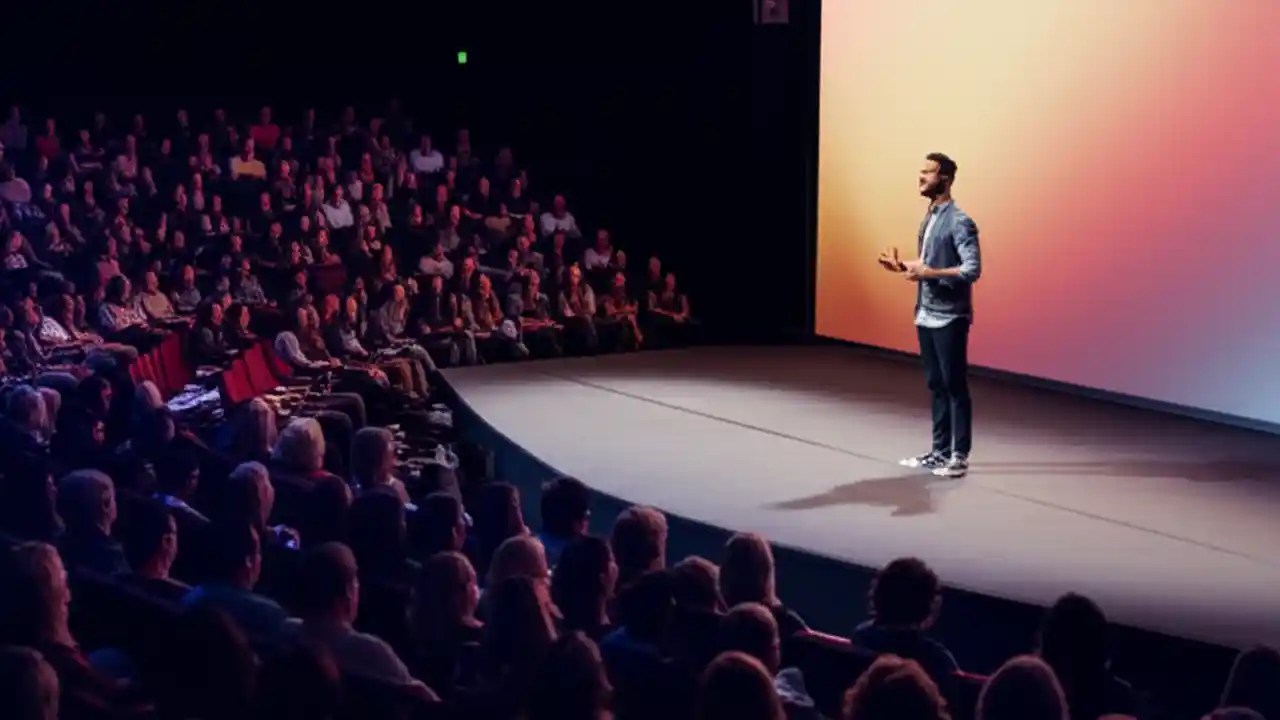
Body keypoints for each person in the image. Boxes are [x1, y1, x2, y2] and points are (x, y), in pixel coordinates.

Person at [877, 153, 981, 478]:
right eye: (920, 171)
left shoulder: (960, 220)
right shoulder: (931, 215)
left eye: (928, 172)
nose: (920, 177)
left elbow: (971, 269)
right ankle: (938, 452)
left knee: (954, 385)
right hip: (925, 312)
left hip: (949, 315)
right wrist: (902, 266)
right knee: (936, 384)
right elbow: (927, 264)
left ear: (945, 178)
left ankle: (959, 455)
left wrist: (929, 274)